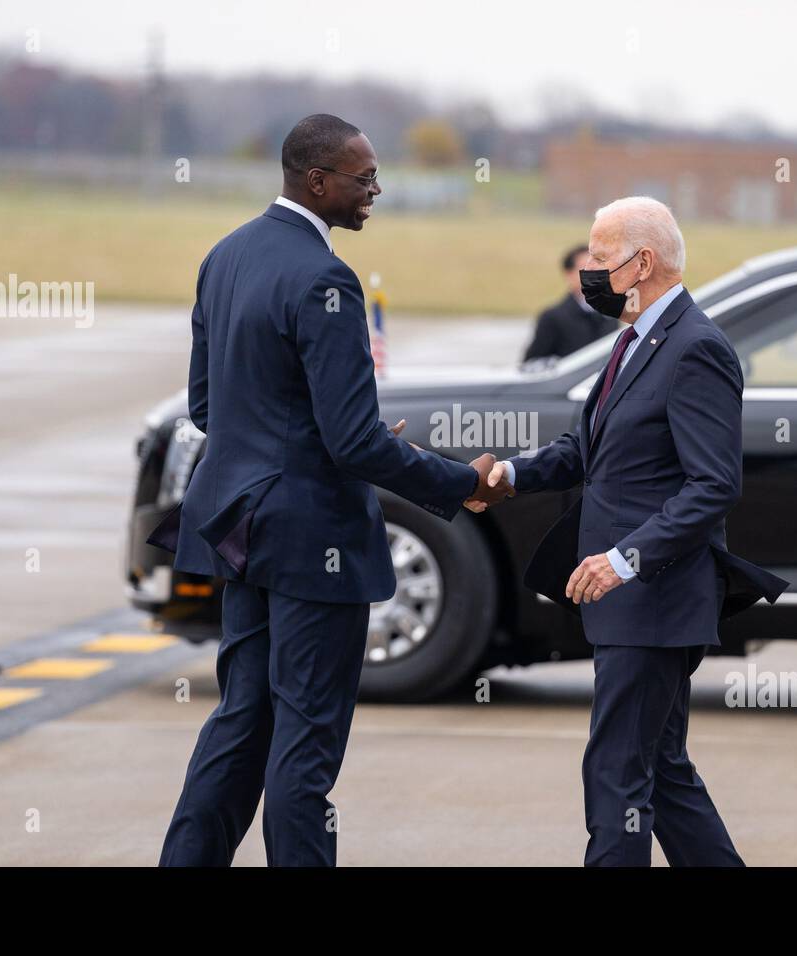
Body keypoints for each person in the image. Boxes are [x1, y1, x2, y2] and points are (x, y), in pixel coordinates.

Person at [154, 114, 512, 867]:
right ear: (318, 181)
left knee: (241, 722)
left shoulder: (225, 256)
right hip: (310, 539)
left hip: (241, 530)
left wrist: (305, 432)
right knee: (305, 744)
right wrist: (458, 481)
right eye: (364, 175)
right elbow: (351, 442)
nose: (376, 187)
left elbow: (208, 406)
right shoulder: (325, 277)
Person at [472, 197, 788, 866]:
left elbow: (713, 485)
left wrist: (625, 559)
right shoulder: (635, 339)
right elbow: (589, 450)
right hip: (637, 608)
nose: (587, 270)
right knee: (662, 774)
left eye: (598, 256)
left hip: (656, 602)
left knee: (617, 777)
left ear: (641, 263)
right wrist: (508, 474)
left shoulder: (695, 348)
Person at [522, 244, 619, 362]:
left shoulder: (611, 314)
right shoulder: (553, 317)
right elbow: (532, 363)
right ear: (569, 274)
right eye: (586, 269)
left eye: (599, 268)